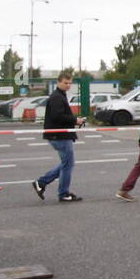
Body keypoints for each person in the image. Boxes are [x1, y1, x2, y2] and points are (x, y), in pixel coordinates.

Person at [32, 71, 84, 202]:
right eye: (65, 83)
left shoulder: (60, 96)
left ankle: (42, 183)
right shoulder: (57, 97)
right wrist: (75, 120)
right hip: (58, 136)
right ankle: (63, 193)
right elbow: (57, 116)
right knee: (68, 164)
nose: (68, 85)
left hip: (59, 135)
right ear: (58, 82)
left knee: (67, 163)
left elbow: (59, 115)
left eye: (70, 83)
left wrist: (73, 120)